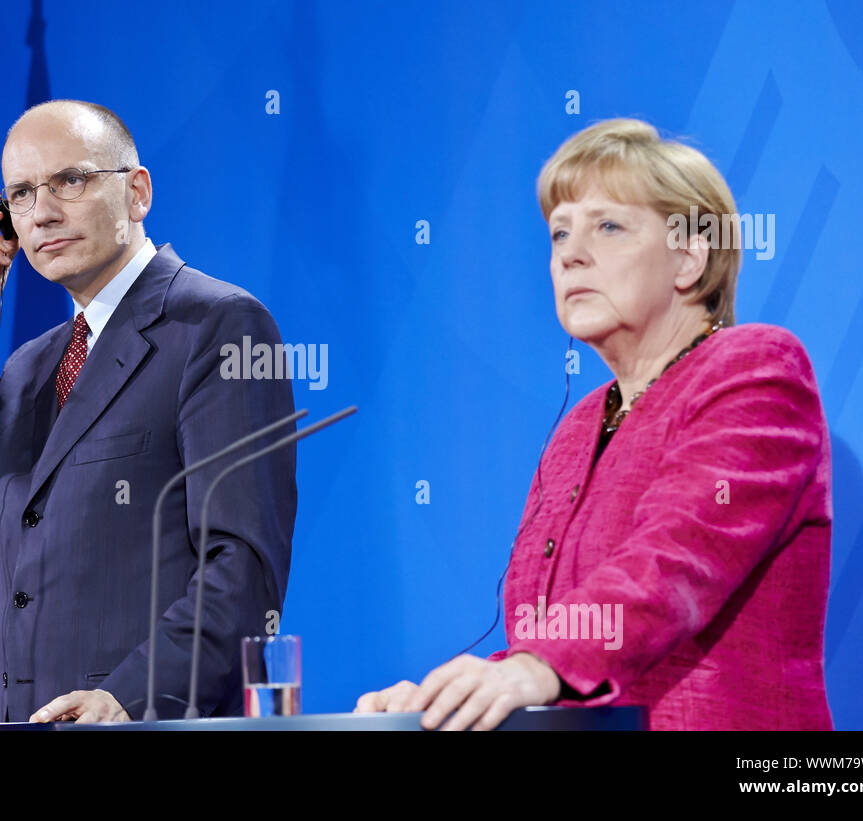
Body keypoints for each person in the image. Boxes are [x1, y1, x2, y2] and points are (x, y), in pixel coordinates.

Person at [355, 118, 834, 730]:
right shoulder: (580, 426)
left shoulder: (757, 369)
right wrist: (454, 697)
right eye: (559, 234)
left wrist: (530, 667)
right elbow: (560, 640)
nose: (570, 254)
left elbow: (675, 560)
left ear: (689, 255)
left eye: (608, 226)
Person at [0, 100, 297, 723]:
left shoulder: (218, 326)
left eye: (70, 181)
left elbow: (243, 566)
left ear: (137, 193)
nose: (42, 212)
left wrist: (129, 696)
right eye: (20, 194)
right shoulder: (30, 366)